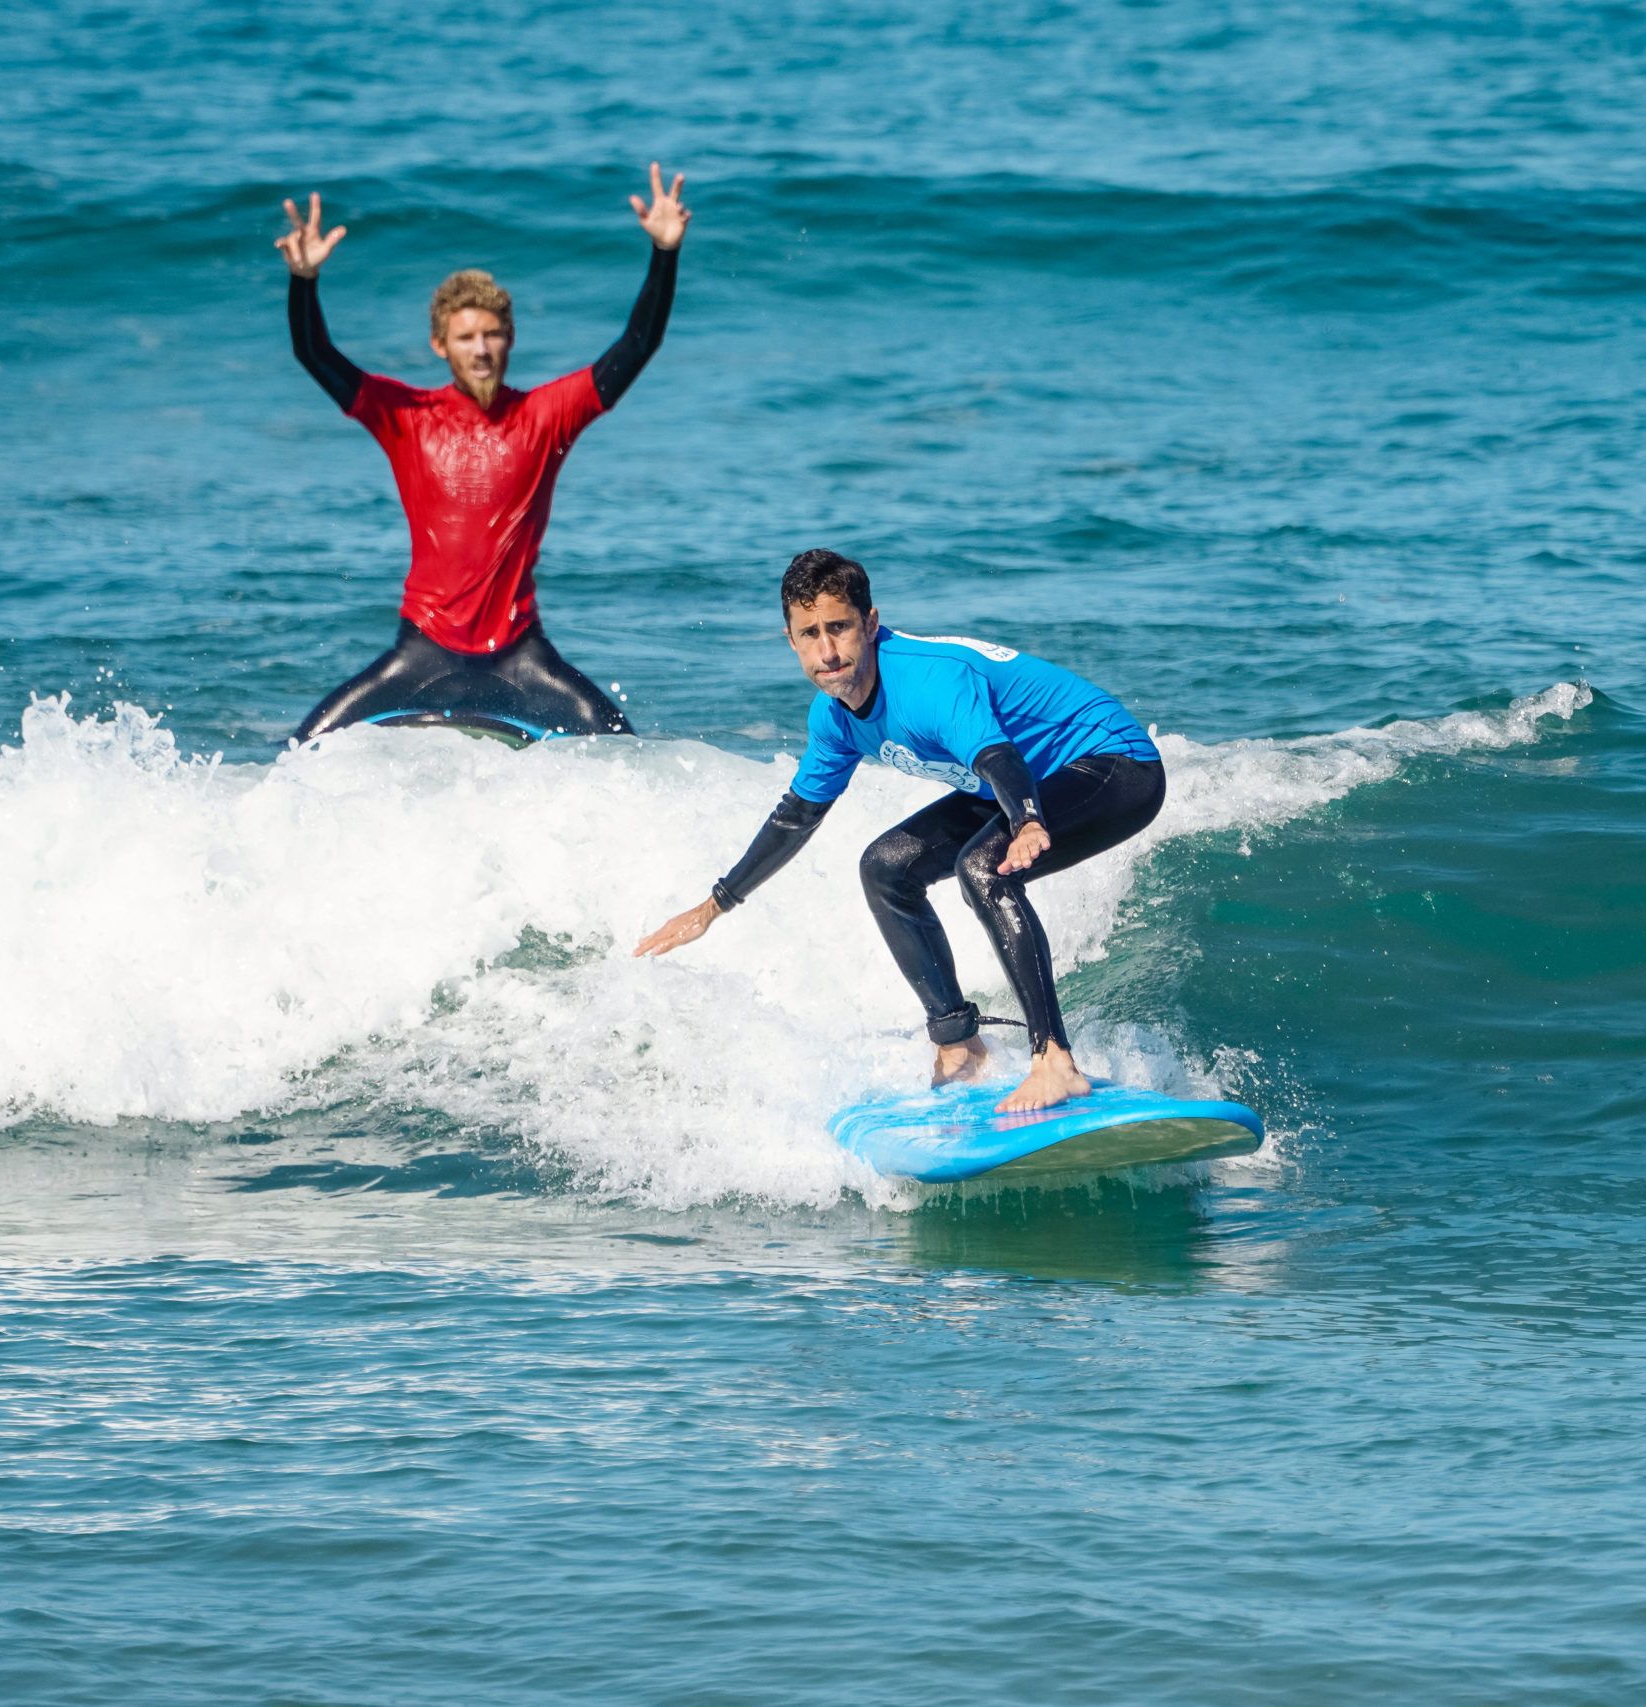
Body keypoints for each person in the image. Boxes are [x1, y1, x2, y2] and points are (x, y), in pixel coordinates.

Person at [635, 551, 1167, 1113]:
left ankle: (1054, 1060)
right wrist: (713, 906)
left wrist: (1028, 820)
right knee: (886, 867)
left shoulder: (927, 683)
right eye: (809, 634)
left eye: (839, 627)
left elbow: (997, 757)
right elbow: (797, 817)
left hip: (1111, 764)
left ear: (870, 622)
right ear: (790, 642)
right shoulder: (833, 718)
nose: (828, 651)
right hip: (1021, 783)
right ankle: (959, 1044)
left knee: (982, 868)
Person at [275, 163, 690, 743]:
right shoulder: (405, 416)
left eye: (492, 334)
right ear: (439, 344)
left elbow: (636, 346)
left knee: (623, 750)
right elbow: (315, 354)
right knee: (299, 750)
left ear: (511, 338)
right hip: (423, 650)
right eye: (466, 337)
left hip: (518, 656)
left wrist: (663, 253)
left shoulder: (546, 415)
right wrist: (304, 281)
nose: (481, 349)